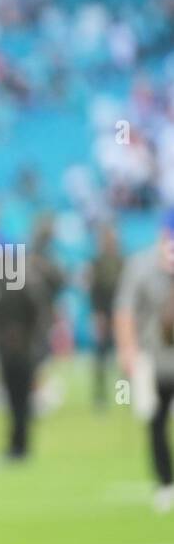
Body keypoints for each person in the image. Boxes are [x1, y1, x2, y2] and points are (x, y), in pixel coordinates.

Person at [114, 208, 174, 514]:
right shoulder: (142, 265)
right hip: (153, 359)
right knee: (155, 420)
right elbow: (125, 310)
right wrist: (128, 351)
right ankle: (166, 482)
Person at [0, 215, 57, 461]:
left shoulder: (23, 285)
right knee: (13, 400)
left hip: (21, 350)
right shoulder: (4, 285)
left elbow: (38, 317)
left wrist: (28, 340)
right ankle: (16, 445)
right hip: (12, 350)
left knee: (19, 400)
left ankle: (20, 445)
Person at [88, 221, 124, 411]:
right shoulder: (97, 263)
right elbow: (94, 291)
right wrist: (97, 314)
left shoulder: (122, 261)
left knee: (122, 358)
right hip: (104, 314)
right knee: (101, 358)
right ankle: (101, 398)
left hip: (120, 316)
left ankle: (122, 397)